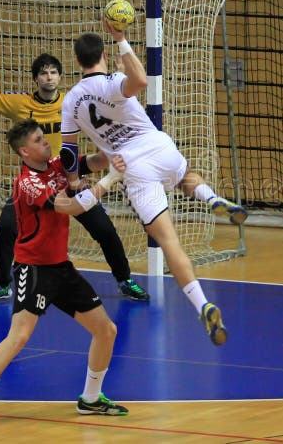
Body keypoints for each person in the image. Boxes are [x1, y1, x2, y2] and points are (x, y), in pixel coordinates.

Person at [60, 19, 248, 346]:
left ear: (77, 61)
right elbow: (141, 80)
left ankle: (201, 303)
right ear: (103, 53)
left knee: (169, 242)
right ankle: (211, 198)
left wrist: (75, 180)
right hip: (160, 147)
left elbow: (68, 151)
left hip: (132, 167)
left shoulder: (70, 102)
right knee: (186, 178)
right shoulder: (113, 81)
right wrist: (122, 39)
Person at [0, 119, 129, 439]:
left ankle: (90, 399)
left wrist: (113, 142)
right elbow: (71, 207)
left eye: (44, 138)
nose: (46, 143)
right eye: (38, 140)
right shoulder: (28, 183)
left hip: (61, 268)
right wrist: (112, 179)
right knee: (18, 337)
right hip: (32, 270)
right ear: (24, 150)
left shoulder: (59, 164)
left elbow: (96, 160)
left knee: (106, 330)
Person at [0, 34, 149, 303]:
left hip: (71, 174)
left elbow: (109, 104)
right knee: (7, 227)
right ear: (36, 79)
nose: (49, 77)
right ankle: (2, 283)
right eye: (43, 73)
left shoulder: (72, 101)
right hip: (38, 181)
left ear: (61, 77)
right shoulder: (21, 105)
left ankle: (124, 279)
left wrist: (120, 81)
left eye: (54, 72)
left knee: (104, 230)